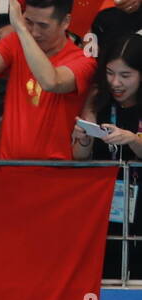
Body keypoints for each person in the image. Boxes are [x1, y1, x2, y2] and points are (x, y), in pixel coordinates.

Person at [0, 0, 95, 161]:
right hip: (7, 165)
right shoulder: (16, 43)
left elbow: (52, 82)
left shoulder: (84, 61)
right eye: (28, 22)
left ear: (65, 22)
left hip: (55, 172)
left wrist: (22, 29)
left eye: (43, 26)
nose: (35, 32)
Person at [73, 33, 141, 280]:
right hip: (106, 204)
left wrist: (133, 139)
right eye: (110, 73)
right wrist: (83, 135)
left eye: (126, 76)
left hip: (137, 203)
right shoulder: (98, 100)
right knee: (106, 272)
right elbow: (79, 157)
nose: (116, 83)